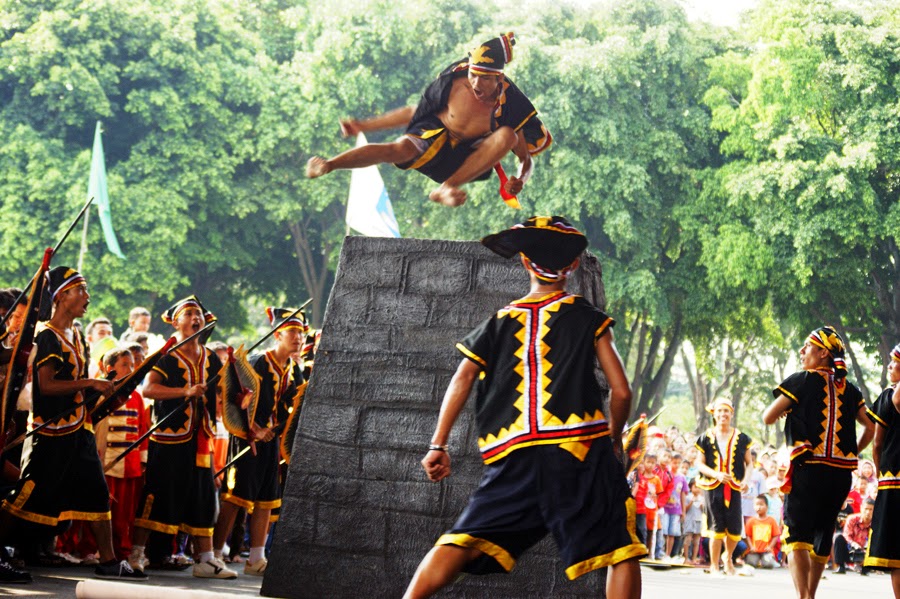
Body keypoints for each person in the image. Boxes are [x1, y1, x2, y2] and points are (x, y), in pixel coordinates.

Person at [402, 216, 645, 599]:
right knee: (620, 547)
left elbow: (462, 379)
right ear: (573, 267)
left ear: (525, 262)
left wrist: (438, 444)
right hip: (578, 449)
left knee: (463, 538)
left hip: (514, 453)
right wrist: (613, 440)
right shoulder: (588, 318)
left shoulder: (497, 323)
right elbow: (622, 392)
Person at [0, 267, 146, 581]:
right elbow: (47, 385)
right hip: (50, 434)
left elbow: (79, 387)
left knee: (97, 491)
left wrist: (103, 391)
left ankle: (109, 560)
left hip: (79, 429)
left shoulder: (77, 335)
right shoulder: (46, 335)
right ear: (62, 296)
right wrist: (89, 383)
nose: (88, 297)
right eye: (81, 290)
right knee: (28, 493)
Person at [306, 32, 552, 208]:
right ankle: (329, 165)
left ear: (500, 79)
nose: (476, 84)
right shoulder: (453, 84)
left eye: (485, 79)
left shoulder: (511, 107)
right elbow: (415, 111)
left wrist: (519, 180)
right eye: (474, 75)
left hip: (465, 160)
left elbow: (524, 159)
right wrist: (364, 125)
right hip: (433, 136)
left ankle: (447, 187)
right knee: (398, 148)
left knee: (507, 135)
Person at [128, 296, 237, 579]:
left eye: (198, 313)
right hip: (169, 438)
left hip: (201, 438)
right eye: (188, 313)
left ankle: (205, 558)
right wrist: (185, 392)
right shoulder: (166, 355)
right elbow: (148, 390)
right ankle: (137, 553)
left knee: (202, 496)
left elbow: (222, 392)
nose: (195, 318)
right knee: (157, 493)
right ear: (175, 321)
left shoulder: (211, 357)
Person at [763, 326, 874, 599]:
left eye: (807, 347)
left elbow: (768, 417)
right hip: (839, 476)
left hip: (807, 470)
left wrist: (789, 409)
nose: (802, 352)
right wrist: (851, 453)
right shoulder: (851, 389)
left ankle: (804, 596)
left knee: (797, 536)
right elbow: (870, 428)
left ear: (823, 352)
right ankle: (810, 594)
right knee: (824, 532)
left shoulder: (803, 380)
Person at [212, 307, 307, 576]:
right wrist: (253, 428)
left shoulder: (292, 368)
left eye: (301, 333)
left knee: (266, 498)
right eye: (293, 332)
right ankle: (215, 554)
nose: (298, 338)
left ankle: (256, 558)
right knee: (236, 497)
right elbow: (234, 398)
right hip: (246, 439)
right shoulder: (257, 361)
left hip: (271, 443)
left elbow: (292, 405)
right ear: (278, 334)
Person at [94, 347, 149, 562]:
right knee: (102, 509)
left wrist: (143, 460)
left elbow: (142, 430)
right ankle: (95, 550)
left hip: (129, 463)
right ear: (110, 369)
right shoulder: (100, 393)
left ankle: (122, 551)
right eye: (124, 365)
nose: (130, 369)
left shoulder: (136, 396)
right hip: (105, 461)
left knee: (125, 514)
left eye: (132, 365)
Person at [694, 397, 753, 577]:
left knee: (734, 527)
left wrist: (746, 480)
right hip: (712, 487)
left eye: (726, 411)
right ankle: (714, 564)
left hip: (734, 487)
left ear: (731, 413)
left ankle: (728, 558)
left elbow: (749, 463)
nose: (723, 415)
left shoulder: (742, 438)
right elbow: (699, 463)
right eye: (719, 411)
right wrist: (716, 474)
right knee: (715, 525)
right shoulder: (705, 437)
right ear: (714, 414)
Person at [863, 341, 900, 596]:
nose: (889, 365)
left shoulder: (889, 395)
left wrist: (882, 477)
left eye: (894, 360)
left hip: (891, 482)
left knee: (898, 554)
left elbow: (877, 446)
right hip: (893, 482)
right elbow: (875, 445)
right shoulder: (889, 395)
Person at [834, 498, 873, 574]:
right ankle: (841, 566)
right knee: (838, 537)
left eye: (871, 509)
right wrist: (853, 544)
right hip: (850, 549)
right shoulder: (852, 519)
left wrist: (864, 549)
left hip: (865, 551)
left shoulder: (876, 524)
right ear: (861, 508)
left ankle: (865, 567)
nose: (868, 512)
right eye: (866, 509)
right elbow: (846, 535)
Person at [743, 495, 780, 569]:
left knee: (768, 564)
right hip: (754, 550)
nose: (758, 507)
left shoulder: (771, 520)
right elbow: (747, 536)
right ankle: (758, 561)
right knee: (751, 563)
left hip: (766, 551)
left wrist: (770, 547)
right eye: (756, 505)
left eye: (761, 504)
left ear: (767, 506)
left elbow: (776, 535)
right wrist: (751, 547)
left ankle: (764, 561)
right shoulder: (751, 521)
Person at [682, 479, 704, 565]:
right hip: (689, 520)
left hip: (698, 520)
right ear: (690, 487)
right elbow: (685, 509)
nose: (697, 489)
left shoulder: (702, 499)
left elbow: (704, 510)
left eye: (699, 487)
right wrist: (691, 502)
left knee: (696, 541)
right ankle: (686, 558)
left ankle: (694, 558)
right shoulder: (688, 497)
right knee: (687, 539)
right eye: (695, 487)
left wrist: (702, 506)